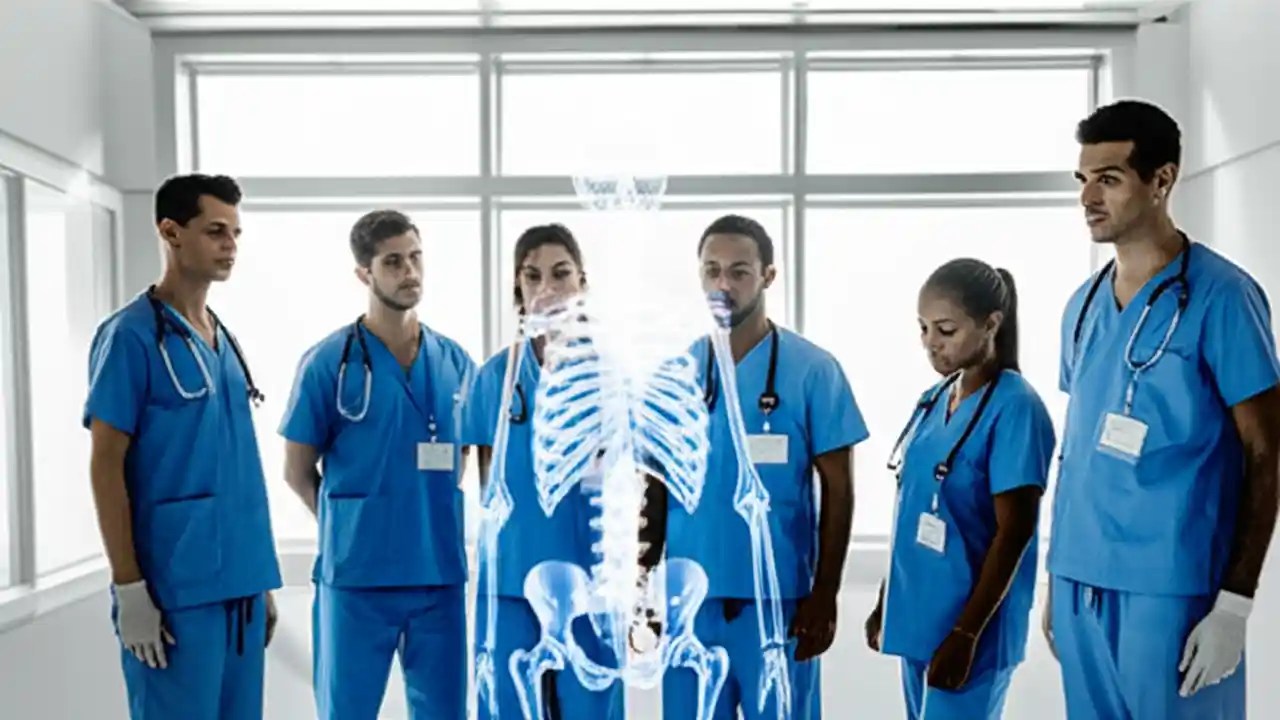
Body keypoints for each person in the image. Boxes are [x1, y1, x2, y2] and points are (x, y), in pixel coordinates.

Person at [1046, 99, 1280, 719]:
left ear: (1162, 181)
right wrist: (1055, 575)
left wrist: (1235, 603)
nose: (1089, 197)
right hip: (1080, 579)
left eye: (1110, 178)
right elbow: (1077, 448)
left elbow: (1266, 451)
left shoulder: (1222, 297)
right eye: (1083, 179)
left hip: (1172, 587)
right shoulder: (1083, 306)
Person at [83, 173, 282, 719]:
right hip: (174, 591)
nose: (230, 246)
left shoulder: (222, 335)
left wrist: (257, 582)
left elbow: (234, 465)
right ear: (171, 232)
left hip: (238, 585)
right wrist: (129, 587)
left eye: (236, 233)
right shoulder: (130, 336)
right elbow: (106, 466)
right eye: (216, 231)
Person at [661, 214, 868, 719]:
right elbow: (655, 485)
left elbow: (839, 491)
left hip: (779, 605)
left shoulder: (814, 370)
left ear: (768, 276)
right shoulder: (678, 372)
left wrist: (825, 594)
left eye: (738, 272)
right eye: (711, 271)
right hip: (690, 606)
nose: (722, 285)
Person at [278, 209, 476, 719]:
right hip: (357, 584)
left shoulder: (455, 362)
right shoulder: (328, 362)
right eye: (393, 262)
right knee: (347, 712)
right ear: (364, 274)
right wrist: (350, 529)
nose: (410, 272)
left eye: (415, 258)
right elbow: (297, 472)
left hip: (438, 577)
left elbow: (463, 461)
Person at [865, 259, 1054, 719]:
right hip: (917, 618)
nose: (931, 343)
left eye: (945, 330)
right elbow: (913, 511)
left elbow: (1015, 534)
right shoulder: (932, 402)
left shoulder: (1016, 408)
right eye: (924, 328)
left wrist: (966, 635)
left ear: (991, 324)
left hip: (972, 629)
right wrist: (887, 599)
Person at [461, 223, 626, 720]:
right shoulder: (495, 376)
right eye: (533, 277)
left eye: (560, 274)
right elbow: (489, 482)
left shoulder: (613, 376)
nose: (547, 288)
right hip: (509, 582)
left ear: (582, 283)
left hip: (593, 585)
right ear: (519, 288)